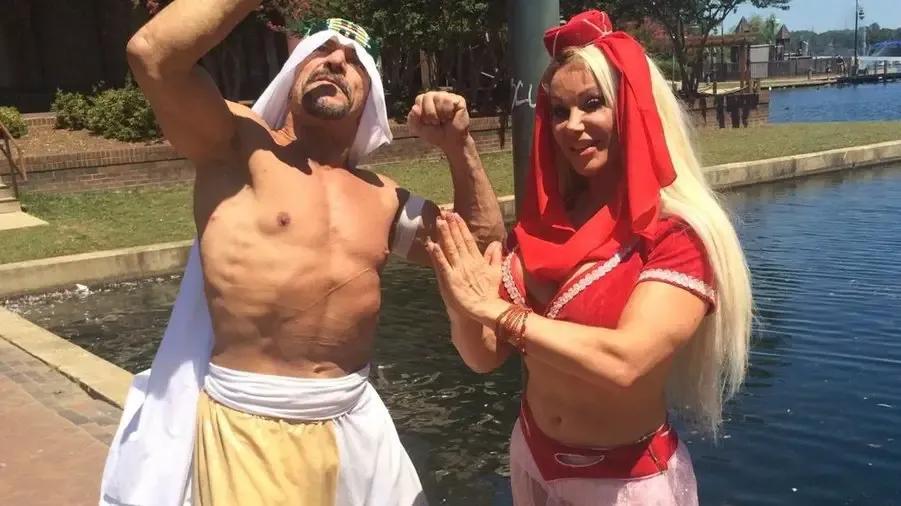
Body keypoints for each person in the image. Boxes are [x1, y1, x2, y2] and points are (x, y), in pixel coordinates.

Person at [99, 1, 504, 505]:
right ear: (292, 72)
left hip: (358, 428)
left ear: (370, 97)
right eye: (320, 51)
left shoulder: (382, 198)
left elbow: (480, 246)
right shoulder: (236, 146)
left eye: (354, 62)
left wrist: (458, 145)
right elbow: (153, 55)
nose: (336, 61)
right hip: (250, 429)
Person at [425, 10, 752, 505]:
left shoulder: (677, 233)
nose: (572, 126)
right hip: (531, 460)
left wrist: (494, 310)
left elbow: (627, 360)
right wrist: (459, 299)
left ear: (631, 106)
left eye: (592, 104)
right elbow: (483, 357)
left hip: (622, 483)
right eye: (558, 111)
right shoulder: (542, 228)